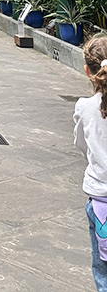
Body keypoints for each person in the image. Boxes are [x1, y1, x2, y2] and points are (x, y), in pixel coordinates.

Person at [74, 34, 107, 292]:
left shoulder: (85, 107)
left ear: (88, 71)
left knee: (102, 267)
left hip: (100, 201)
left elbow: (81, 145)